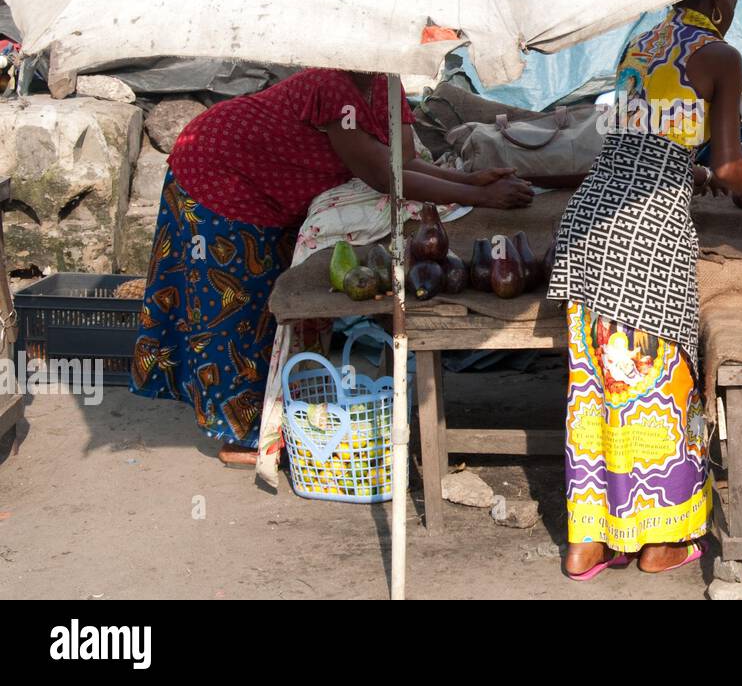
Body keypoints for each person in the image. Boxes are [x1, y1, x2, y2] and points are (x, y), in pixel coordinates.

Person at [130, 68, 533, 464]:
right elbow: (383, 175)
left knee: (264, 303)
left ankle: (272, 417)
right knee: (235, 308)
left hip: (270, 185)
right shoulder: (332, 86)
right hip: (220, 173)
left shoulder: (383, 83)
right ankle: (239, 436)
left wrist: (473, 182)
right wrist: (484, 198)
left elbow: (403, 160)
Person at [548, 0, 742, 578]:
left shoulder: (642, 41)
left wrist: (689, 173)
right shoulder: (722, 57)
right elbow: (728, 166)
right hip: (645, 235)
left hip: (590, 222)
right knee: (656, 385)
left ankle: (588, 541)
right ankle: (660, 540)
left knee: (595, 386)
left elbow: (642, 145)